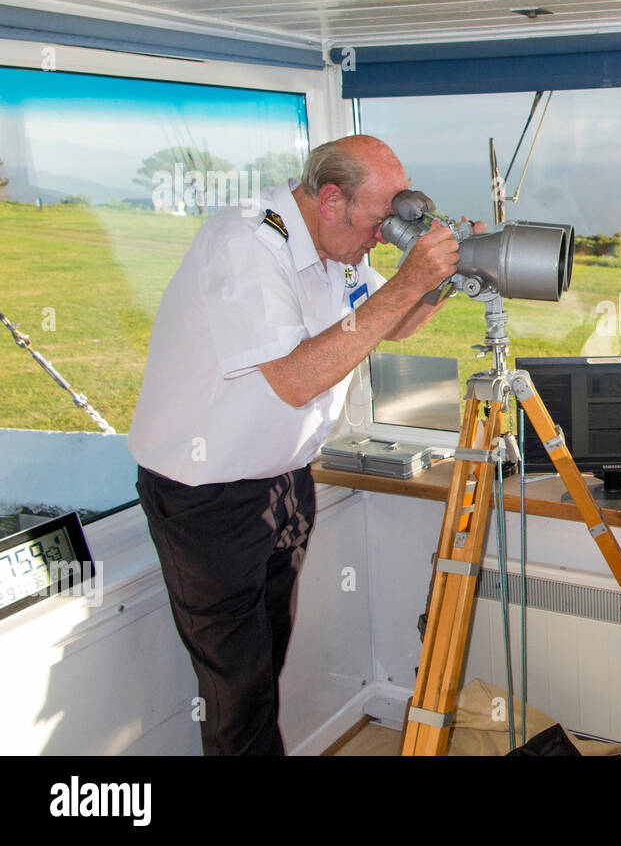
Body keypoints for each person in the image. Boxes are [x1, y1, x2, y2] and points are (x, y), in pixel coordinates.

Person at [128, 134, 463, 755]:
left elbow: (392, 318)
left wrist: (444, 274)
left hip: (283, 482)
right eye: (377, 220)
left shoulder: (340, 242)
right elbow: (295, 377)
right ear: (330, 199)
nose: (381, 235)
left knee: (266, 660)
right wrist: (406, 280)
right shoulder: (247, 243)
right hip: (208, 495)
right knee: (238, 685)